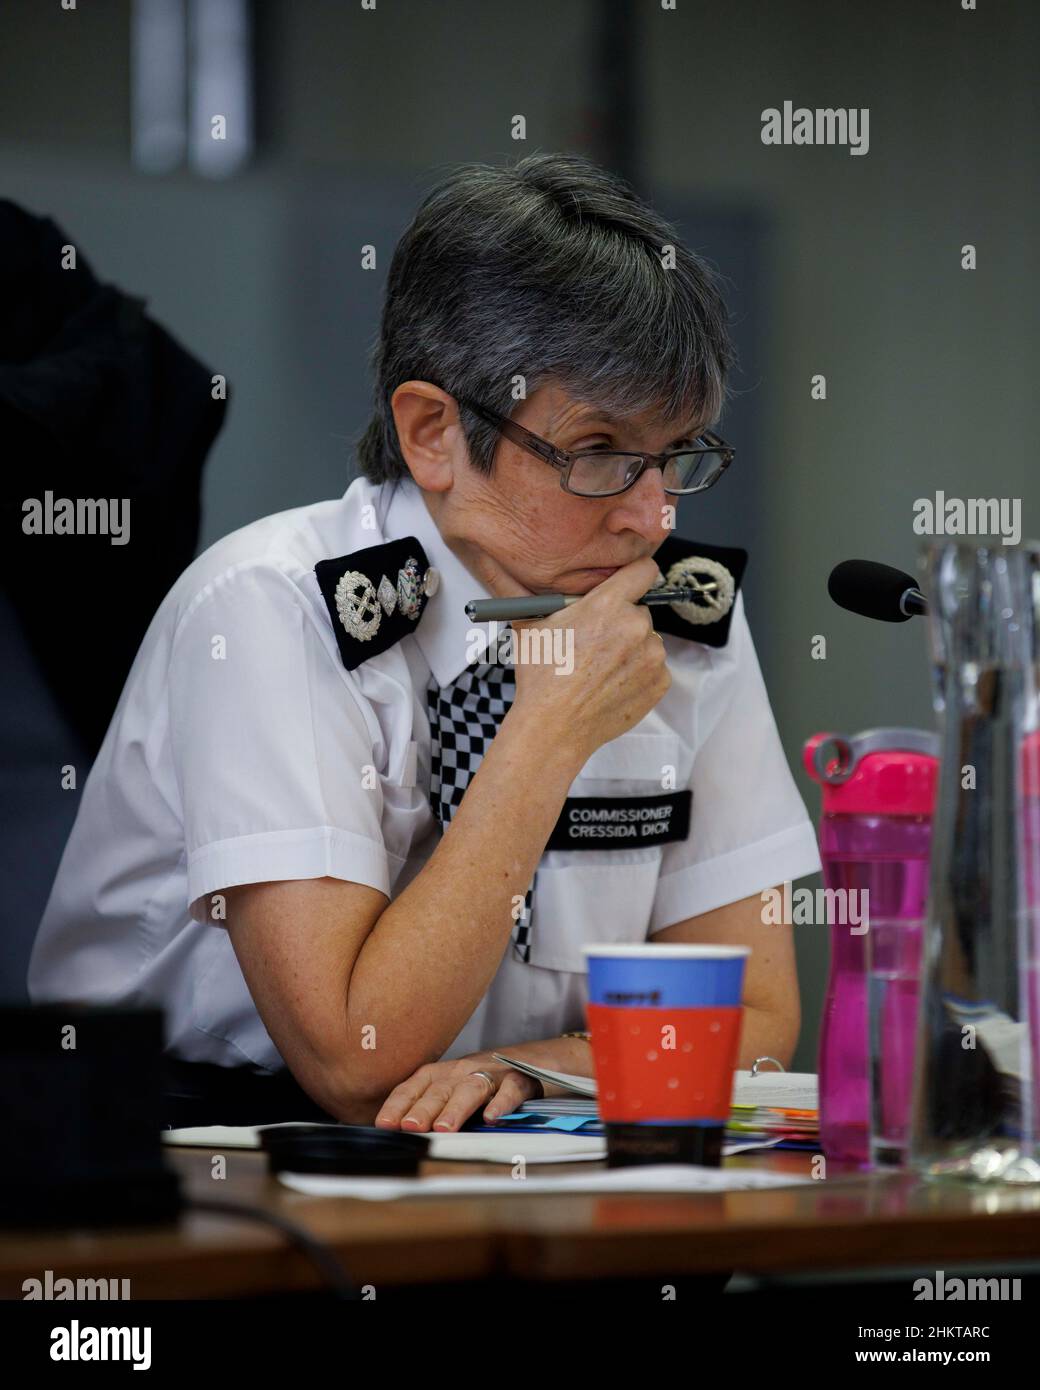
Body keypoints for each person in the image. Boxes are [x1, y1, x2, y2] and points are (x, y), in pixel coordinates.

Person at [28, 152, 821, 1132]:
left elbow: (758, 1020)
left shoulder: (672, 614)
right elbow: (355, 1061)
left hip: (529, 1132)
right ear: (433, 431)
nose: (653, 518)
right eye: (602, 454)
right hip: (218, 1156)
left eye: (678, 455)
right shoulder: (271, 607)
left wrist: (532, 1070)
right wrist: (545, 736)